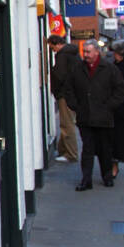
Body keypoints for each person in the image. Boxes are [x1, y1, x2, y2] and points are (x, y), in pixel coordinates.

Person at [63, 39, 124, 189]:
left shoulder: (109, 69)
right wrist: (75, 106)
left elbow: (120, 90)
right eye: (84, 52)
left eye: (88, 52)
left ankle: (107, 176)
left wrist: (109, 106)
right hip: (85, 116)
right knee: (88, 149)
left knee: (105, 149)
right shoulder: (77, 69)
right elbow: (68, 89)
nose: (85, 55)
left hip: (104, 117)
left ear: (97, 52)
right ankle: (86, 180)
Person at [47, 34, 79, 163]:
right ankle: (63, 150)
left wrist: (57, 91)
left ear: (57, 44)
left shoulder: (62, 56)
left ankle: (71, 154)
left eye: (52, 47)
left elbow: (59, 75)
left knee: (67, 124)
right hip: (73, 93)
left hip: (65, 95)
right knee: (67, 122)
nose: (52, 50)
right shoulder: (73, 54)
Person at [110, 40, 124, 180]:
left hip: (121, 107)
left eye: (115, 52)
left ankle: (114, 165)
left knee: (118, 139)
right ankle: (113, 165)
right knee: (115, 139)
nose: (113, 55)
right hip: (117, 108)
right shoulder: (113, 67)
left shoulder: (117, 68)